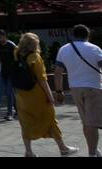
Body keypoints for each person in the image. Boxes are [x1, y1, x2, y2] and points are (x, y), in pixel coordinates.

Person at [11, 32, 78, 157]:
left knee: (25, 123)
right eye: (36, 43)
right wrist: (50, 96)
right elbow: (42, 80)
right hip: (37, 95)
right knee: (50, 120)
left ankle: (28, 151)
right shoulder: (36, 57)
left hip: (22, 95)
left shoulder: (16, 53)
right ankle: (63, 148)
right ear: (34, 44)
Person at [52, 24, 102, 157]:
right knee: (92, 122)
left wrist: (58, 91)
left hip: (75, 88)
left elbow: (58, 72)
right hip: (94, 87)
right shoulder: (94, 48)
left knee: (86, 121)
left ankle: (94, 149)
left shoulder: (63, 49)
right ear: (88, 35)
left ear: (72, 35)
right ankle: (92, 153)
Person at [0, 30, 18, 121]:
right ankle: (18, 111)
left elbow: (18, 58)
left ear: (4, 36)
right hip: (4, 72)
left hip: (12, 72)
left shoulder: (11, 45)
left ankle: (9, 113)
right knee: (10, 93)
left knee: (8, 92)